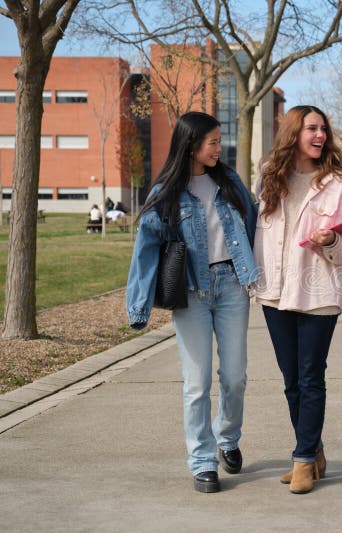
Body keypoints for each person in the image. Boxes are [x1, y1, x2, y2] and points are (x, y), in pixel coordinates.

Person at [125, 111, 260, 493]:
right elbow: (145, 249)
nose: (220, 148)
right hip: (192, 293)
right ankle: (202, 461)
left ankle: (227, 439)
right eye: (213, 142)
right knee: (196, 383)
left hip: (232, 286)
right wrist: (139, 306)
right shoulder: (166, 191)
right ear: (191, 145)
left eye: (220, 141)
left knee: (235, 378)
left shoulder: (229, 181)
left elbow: (253, 223)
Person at [251, 105, 342, 495]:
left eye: (323, 129)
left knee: (311, 376)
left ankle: (301, 459)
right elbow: (259, 232)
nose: (320, 136)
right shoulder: (268, 177)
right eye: (312, 128)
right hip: (274, 291)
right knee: (291, 379)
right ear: (293, 133)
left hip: (317, 289)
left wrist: (332, 240)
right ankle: (313, 451)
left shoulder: (337, 182)